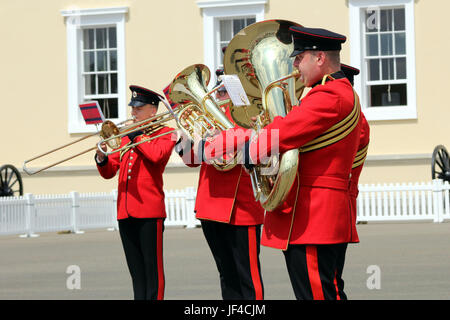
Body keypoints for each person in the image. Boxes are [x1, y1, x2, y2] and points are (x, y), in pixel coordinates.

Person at [198, 26, 365, 300]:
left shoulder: (331, 94)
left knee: (319, 294)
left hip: (314, 215)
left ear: (320, 57)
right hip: (308, 214)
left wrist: (251, 147)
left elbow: (283, 133)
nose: (295, 64)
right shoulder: (322, 93)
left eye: (299, 58)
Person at [174, 68, 265, 300]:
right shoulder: (207, 114)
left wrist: (212, 143)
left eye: (226, 86)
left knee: (248, 278)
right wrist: (183, 138)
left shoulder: (254, 111)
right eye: (220, 87)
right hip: (210, 204)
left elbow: (251, 140)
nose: (221, 91)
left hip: (242, 207)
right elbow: (192, 160)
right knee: (227, 276)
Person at [95, 85, 176, 300]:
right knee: (136, 273)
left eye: (138, 109)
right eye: (133, 109)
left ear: (152, 110)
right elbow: (110, 170)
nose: (133, 113)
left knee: (153, 271)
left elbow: (157, 156)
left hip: (149, 211)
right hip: (126, 211)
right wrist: (101, 157)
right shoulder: (127, 135)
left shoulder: (166, 133)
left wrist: (136, 137)